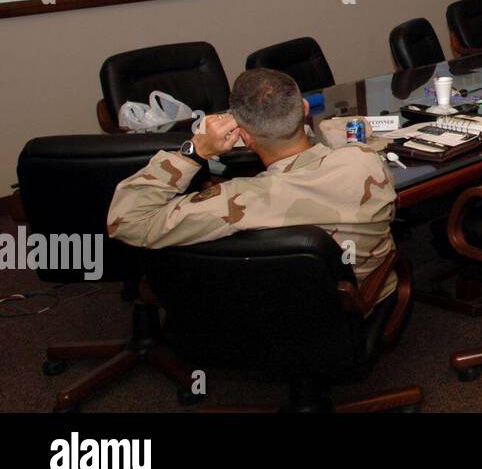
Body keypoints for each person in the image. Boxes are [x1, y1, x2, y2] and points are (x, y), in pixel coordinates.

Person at [107, 68, 398, 299]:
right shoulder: (365, 161)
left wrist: (195, 152)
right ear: (305, 108)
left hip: (272, 314)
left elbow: (126, 221)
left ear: (243, 136)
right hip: (361, 301)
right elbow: (348, 138)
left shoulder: (236, 201)